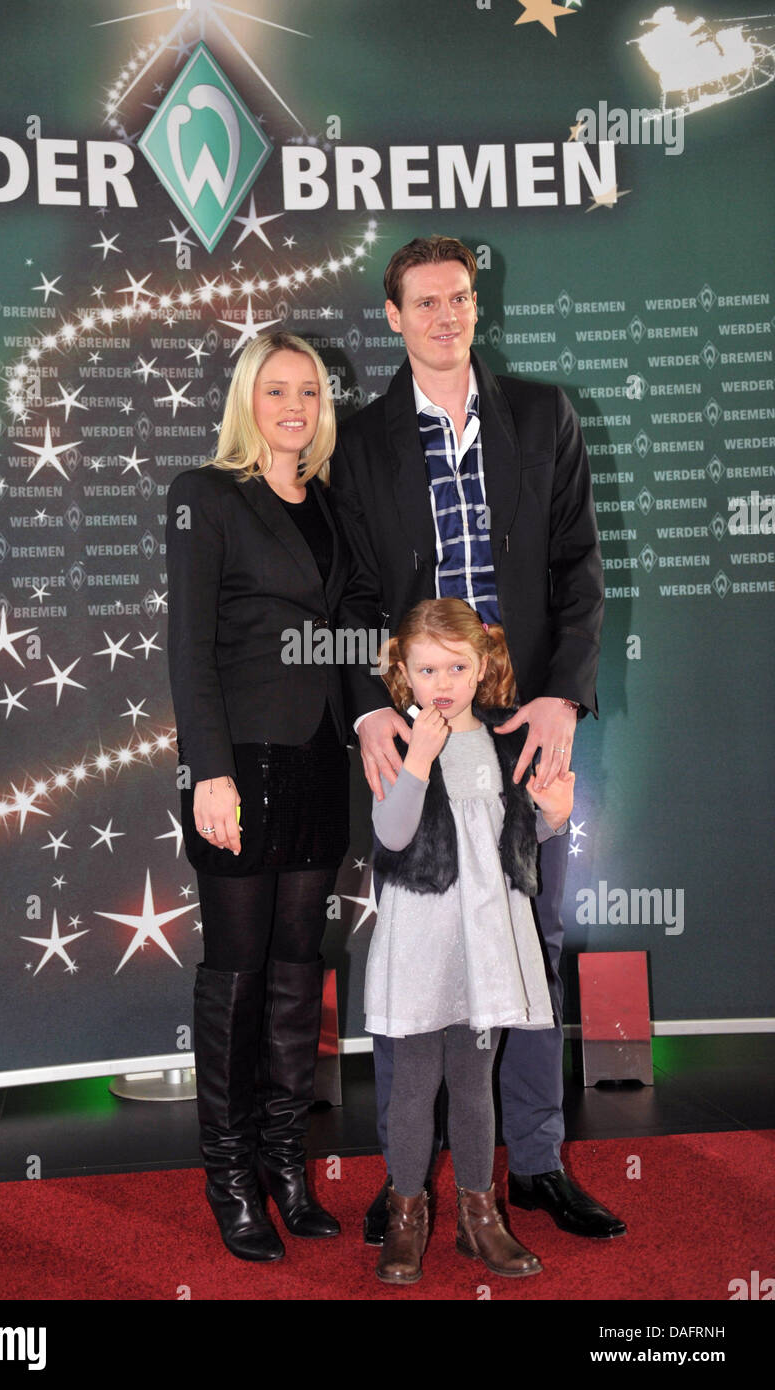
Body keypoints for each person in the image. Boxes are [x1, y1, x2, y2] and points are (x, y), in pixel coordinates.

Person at [328, 234, 625, 1242]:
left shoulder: (542, 415)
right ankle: (407, 1173)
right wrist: (373, 708)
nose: (446, 315)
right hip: (421, 732)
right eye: (425, 302)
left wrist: (561, 699)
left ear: (473, 306)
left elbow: (580, 570)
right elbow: (351, 592)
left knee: (528, 943)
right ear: (395, 315)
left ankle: (533, 1162)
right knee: (413, 946)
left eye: (459, 298)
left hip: (522, 721)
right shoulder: (361, 441)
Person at [165, 331, 351, 1262]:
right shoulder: (206, 496)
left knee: (294, 971)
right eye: (276, 389)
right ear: (248, 399)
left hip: (319, 761)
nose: (294, 405)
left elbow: (349, 631)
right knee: (237, 974)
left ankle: (288, 1165)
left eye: (308, 391)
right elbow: (188, 647)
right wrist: (210, 771)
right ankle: (230, 1176)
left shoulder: (328, 503)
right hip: (241, 763)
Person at [367, 599, 573, 1284]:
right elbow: (393, 835)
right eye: (427, 669)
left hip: (484, 942)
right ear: (404, 673)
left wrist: (552, 815)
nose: (444, 682)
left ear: (483, 665)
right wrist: (419, 760)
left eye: (457, 666)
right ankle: (406, 1213)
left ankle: (480, 1218)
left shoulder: (502, 740)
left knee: (475, 1083)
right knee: (414, 1084)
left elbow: (514, 838)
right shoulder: (397, 741)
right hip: (424, 940)